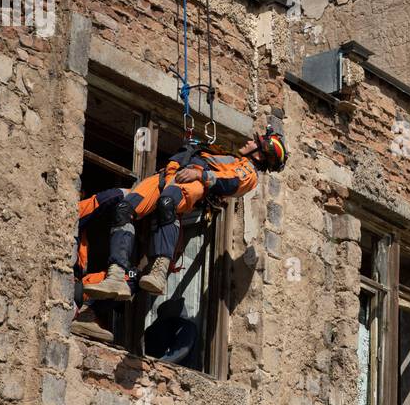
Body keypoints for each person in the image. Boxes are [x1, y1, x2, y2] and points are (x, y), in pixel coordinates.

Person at [75, 131, 286, 309]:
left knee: (168, 203)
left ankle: (159, 270)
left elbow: (229, 182)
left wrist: (202, 176)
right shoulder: (228, 156)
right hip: (167, 176)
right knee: (124, 208)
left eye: (254, 142)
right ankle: (116, 274)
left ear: (260, 153)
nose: (249, 141)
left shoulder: (248, 171)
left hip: (192, 180)